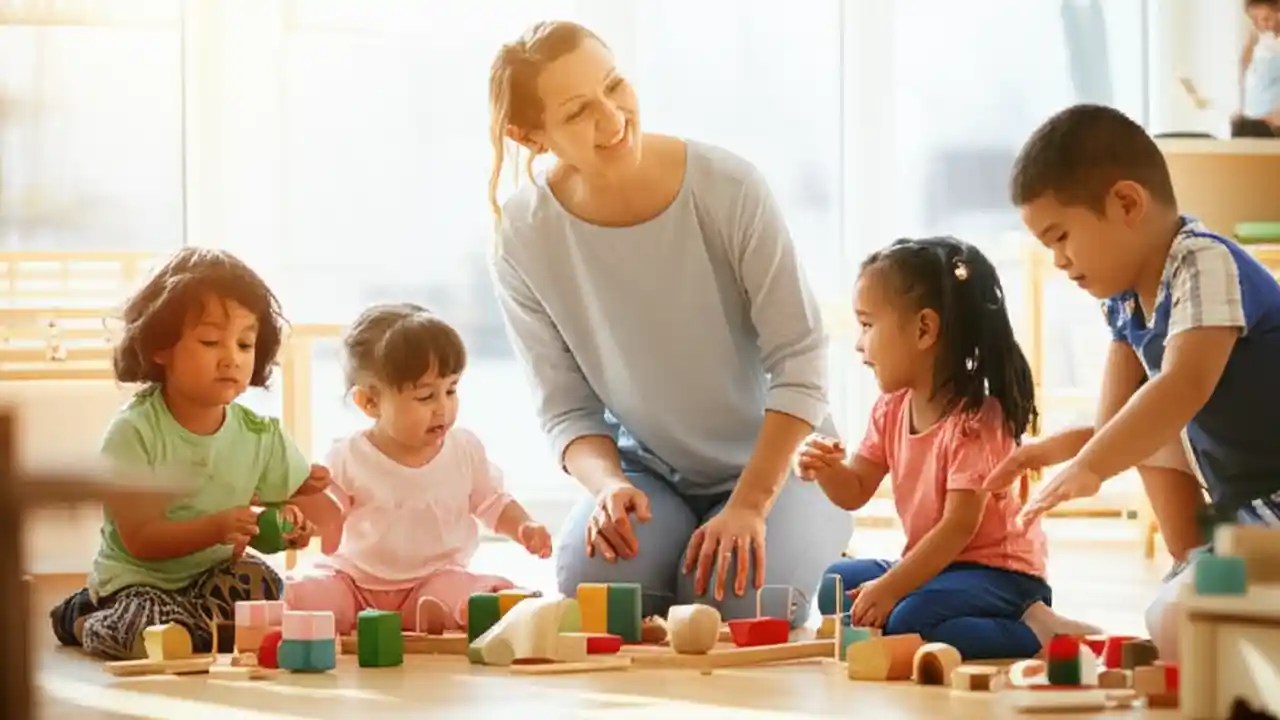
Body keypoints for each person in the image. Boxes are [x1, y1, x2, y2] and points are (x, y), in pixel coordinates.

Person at [486, 20, 849, 624]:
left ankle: (804, 537)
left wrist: (751, 505)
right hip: (650, 470)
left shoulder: (728, 187)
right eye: (577, 112)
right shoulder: (522, 237)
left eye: (614, 85)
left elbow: (801, 359)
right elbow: (566, 409)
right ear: (531, 136)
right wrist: (607, 487)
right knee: (600, 592)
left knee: (730, 606)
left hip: (781, 462)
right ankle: (687, 542)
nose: (612, 118)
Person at [987, 103, 1280, 660]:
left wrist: (1091, 467)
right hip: (1245, 505)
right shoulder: (1126, 305)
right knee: (1173, 619)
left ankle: (1223, 594)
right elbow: (1113, 424)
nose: (1058, 260)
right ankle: (1198, 566)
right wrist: (1048, 452)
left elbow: (1184, 385)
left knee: (1180, 624)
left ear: (1126, 203)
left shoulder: (1203, 261)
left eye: (1062, 236)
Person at [801, 238, 1099, 659]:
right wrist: (827, 469)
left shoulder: (976, 420)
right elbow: (855, 490)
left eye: (867, 325)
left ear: (924, 329)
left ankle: (1038, 630)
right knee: (836, 585)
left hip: (999, 576)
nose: (858, 344)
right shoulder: (891, 407)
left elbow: (959, 526)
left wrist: (891, 588)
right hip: (939, 570)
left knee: (908, 619)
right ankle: (914, 617)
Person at [48, 247, 327, 660]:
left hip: (209, 579)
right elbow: (140, 540)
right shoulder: (134, 432)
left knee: (265, 583)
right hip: (137, 581)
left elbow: (285, 512)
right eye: (211, 340)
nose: (231, 357)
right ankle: (84, 615)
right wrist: (215, 528)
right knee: (141, 622)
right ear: (161, 347)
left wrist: (291, 526)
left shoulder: (260, 435)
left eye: (246, 343)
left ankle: (186, 629)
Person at [284, 304, 552, 634]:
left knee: (463, 593)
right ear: (370, 403)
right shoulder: (348, 455)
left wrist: (523, 525)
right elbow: (328, 512)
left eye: (451, 390)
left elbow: (492, 502)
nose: (443, 407)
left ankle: (461, 613)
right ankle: (279, 605)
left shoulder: (464, 450)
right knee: (309, 594)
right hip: (352, 583)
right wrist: (305, 522)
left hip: (433, 580)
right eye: (426, 396)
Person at [1235, 0, 1280, 133]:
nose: (1261, 24)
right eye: (1254, 20)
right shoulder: (1259, 40)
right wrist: (1242, 110)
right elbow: (1245, 73)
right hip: (1256, 119)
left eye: (1266, 18)